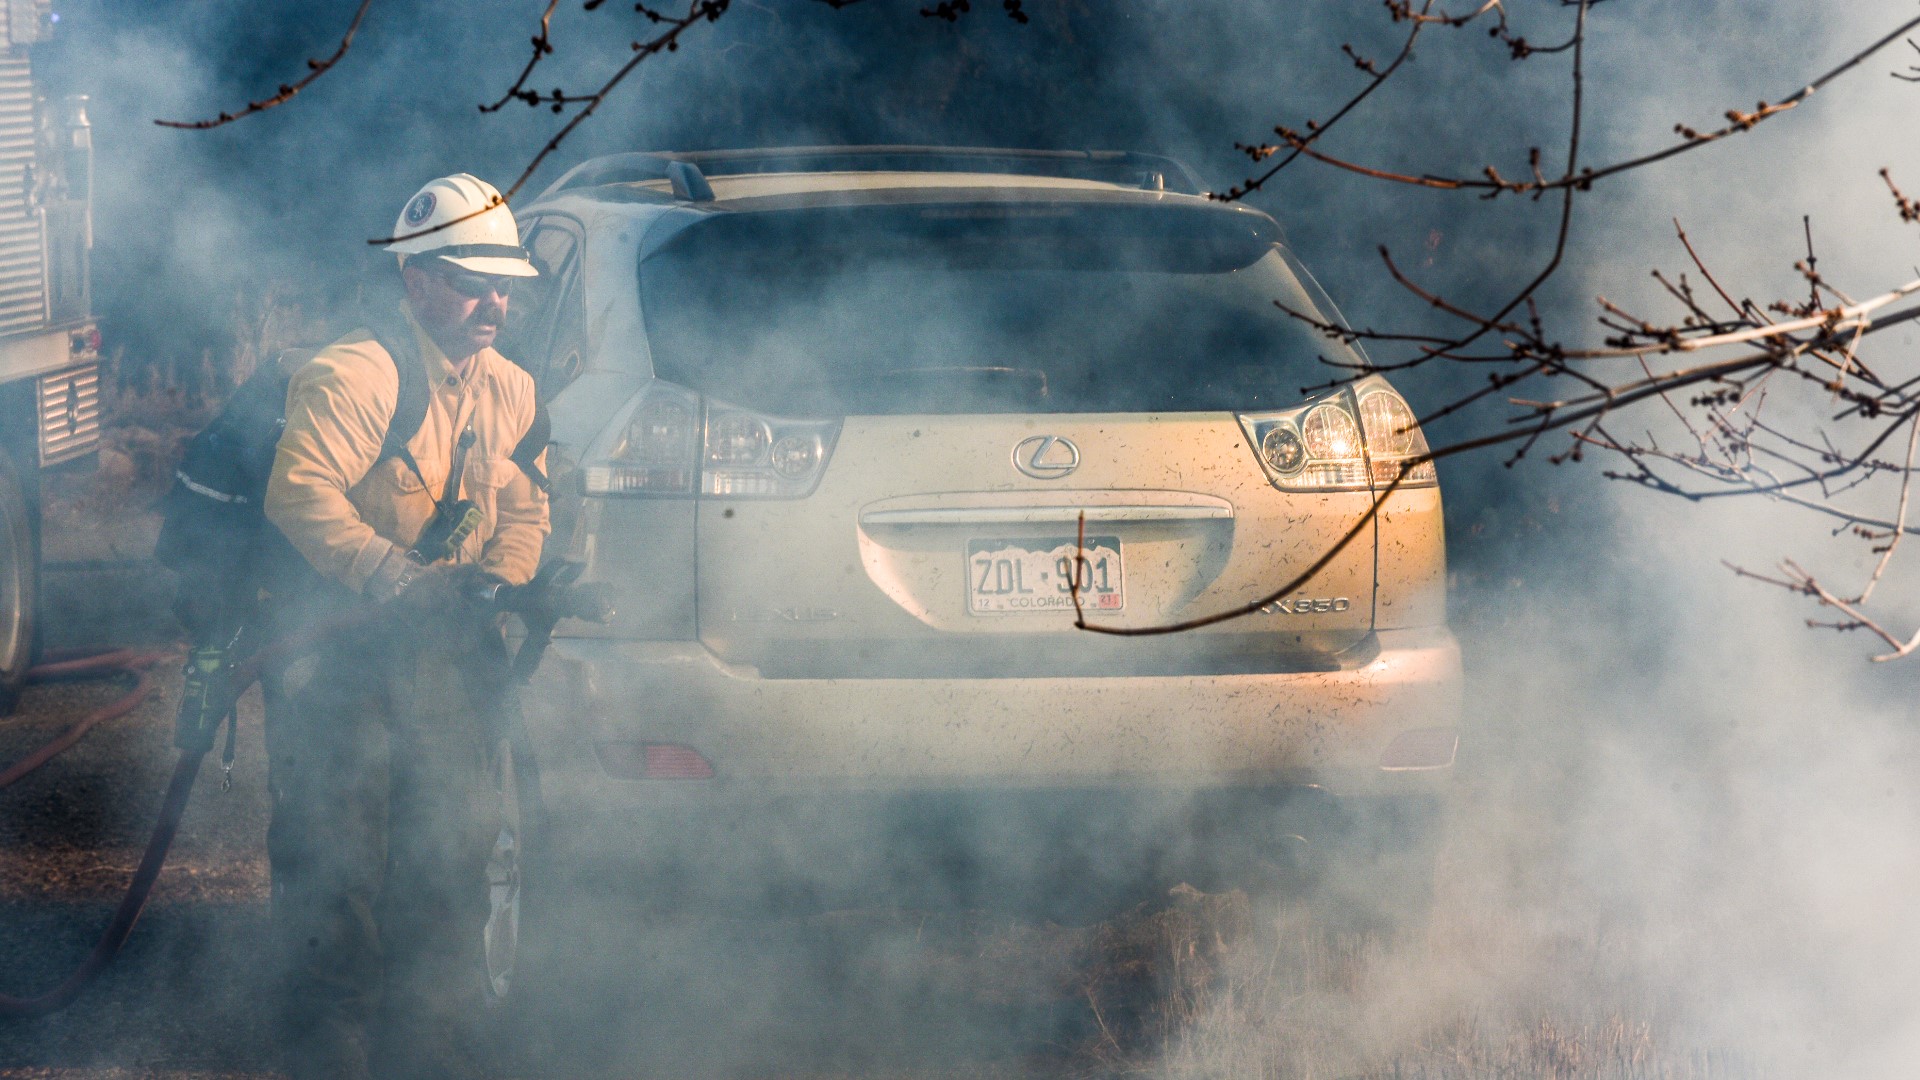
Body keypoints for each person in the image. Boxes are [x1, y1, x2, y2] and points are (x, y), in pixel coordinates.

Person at [260, 173, 548, 1080]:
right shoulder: (356, 374)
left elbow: (527, 506)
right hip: (339, 659)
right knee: (338, 879)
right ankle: (329, 1060)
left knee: (450, 869)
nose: (494, 303)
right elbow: (298, 492)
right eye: (473, 282)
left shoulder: (512, 389)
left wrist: (495, 585)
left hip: (448, 659)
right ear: (416, 279)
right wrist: (388, 572)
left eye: (504, 285)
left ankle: (429, 1056)